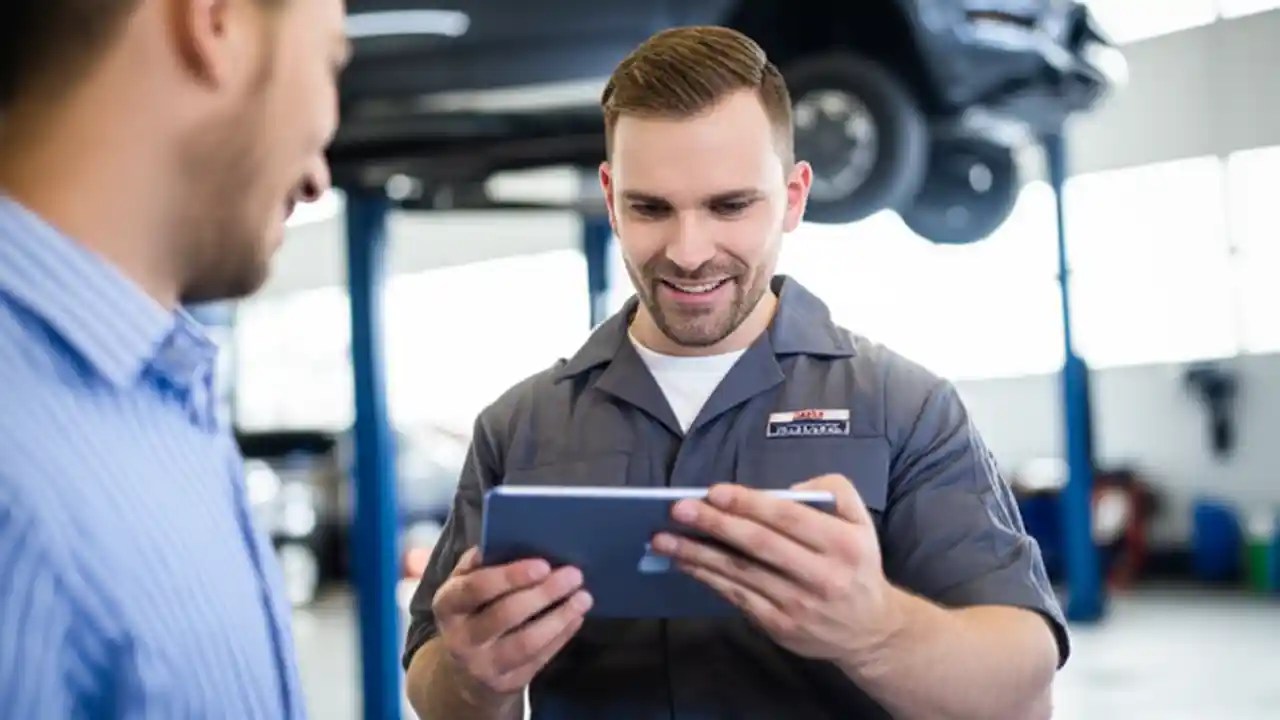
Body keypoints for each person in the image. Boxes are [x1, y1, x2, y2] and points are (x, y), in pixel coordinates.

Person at [403, 25, 1067, 720]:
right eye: (650, 207)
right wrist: (475, 679)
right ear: (609, 196)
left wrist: (877, 632)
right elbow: (432, 676)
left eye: (730, 206)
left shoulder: (902, 409)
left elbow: (1021, 688)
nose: (689, 252)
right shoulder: (521, 427)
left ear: (795, 196)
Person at [0, 0, 350, 716]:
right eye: (330, 63)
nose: (320, 172)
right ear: (215, 22)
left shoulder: (154, 393)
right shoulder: (20, 481)